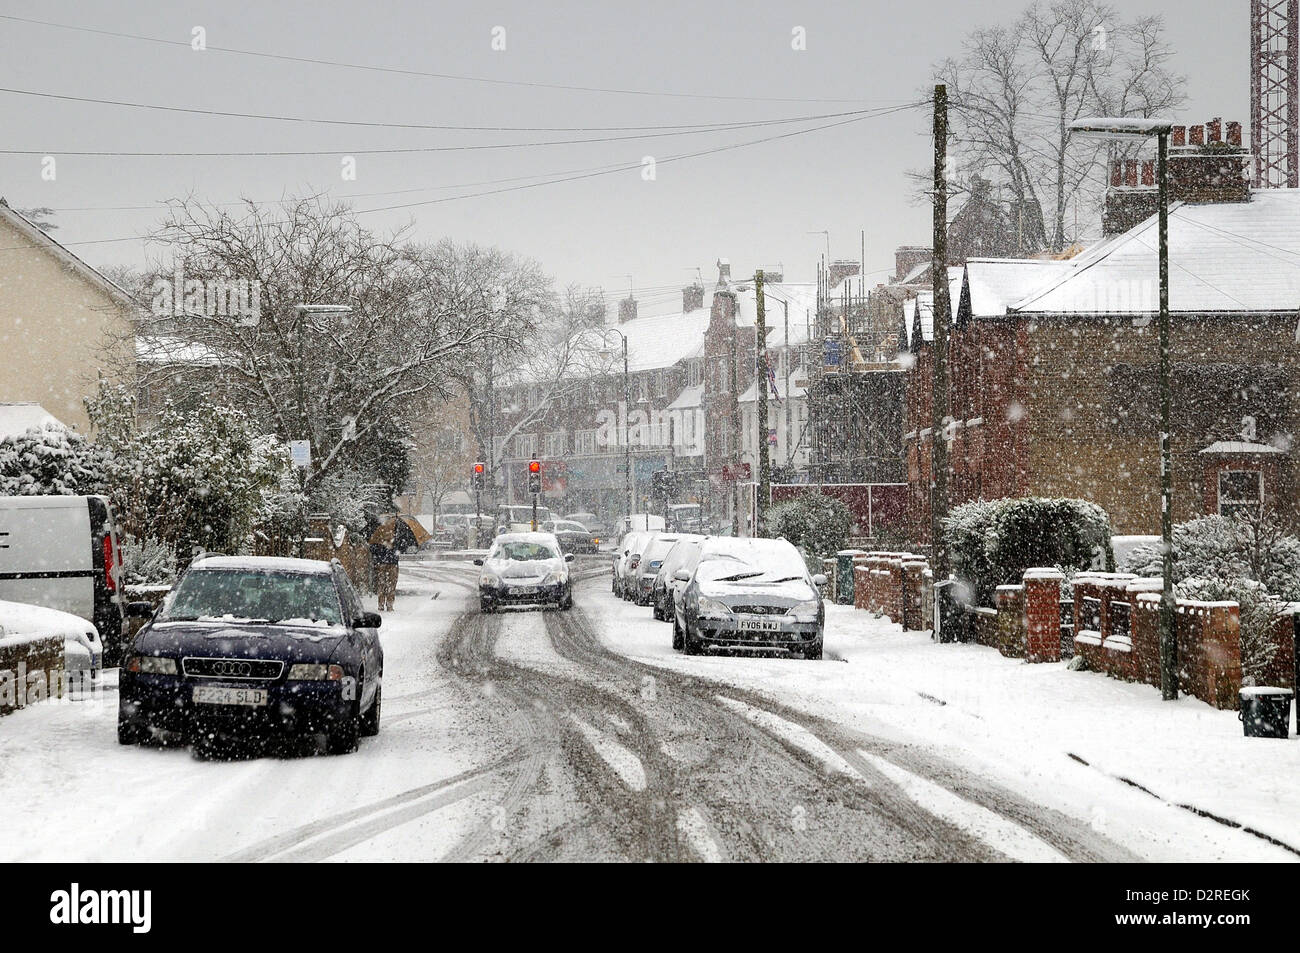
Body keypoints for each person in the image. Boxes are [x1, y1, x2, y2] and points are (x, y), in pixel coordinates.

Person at [370, 520, 400, 612]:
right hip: (386, 563)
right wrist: (383, 545)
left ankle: (386, 604)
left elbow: (373, 549)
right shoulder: (379, 533)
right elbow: (373, 548)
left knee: (386, 584)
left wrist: (392, 546)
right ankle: (384, 604)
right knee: (385, 584)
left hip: (388, 563)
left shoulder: (394, 534)